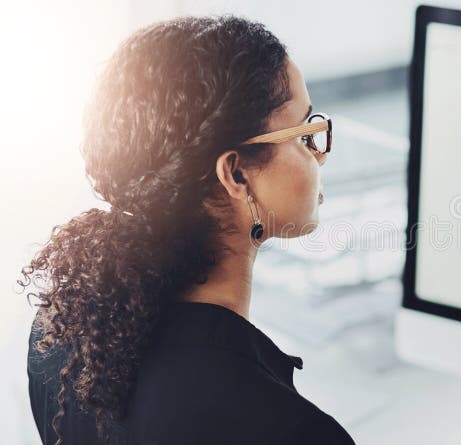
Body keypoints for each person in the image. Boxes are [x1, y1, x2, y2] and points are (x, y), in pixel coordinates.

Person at [21, 15, 353, 445]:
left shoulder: (57, 335)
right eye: (305, 134)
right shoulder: (291, 430)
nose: (319, 154)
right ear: (236, 173)